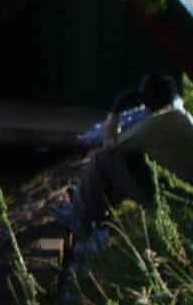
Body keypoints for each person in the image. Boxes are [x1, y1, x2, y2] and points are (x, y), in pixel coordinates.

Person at [66, 74, 193, 230]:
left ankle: (79, 219)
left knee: (105, 159)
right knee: (127, 161)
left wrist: (117, 107)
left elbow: (110, 144)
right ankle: (88, 208)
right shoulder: (183, 118)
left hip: (167, 198)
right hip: (182, 192)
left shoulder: (158, 123)